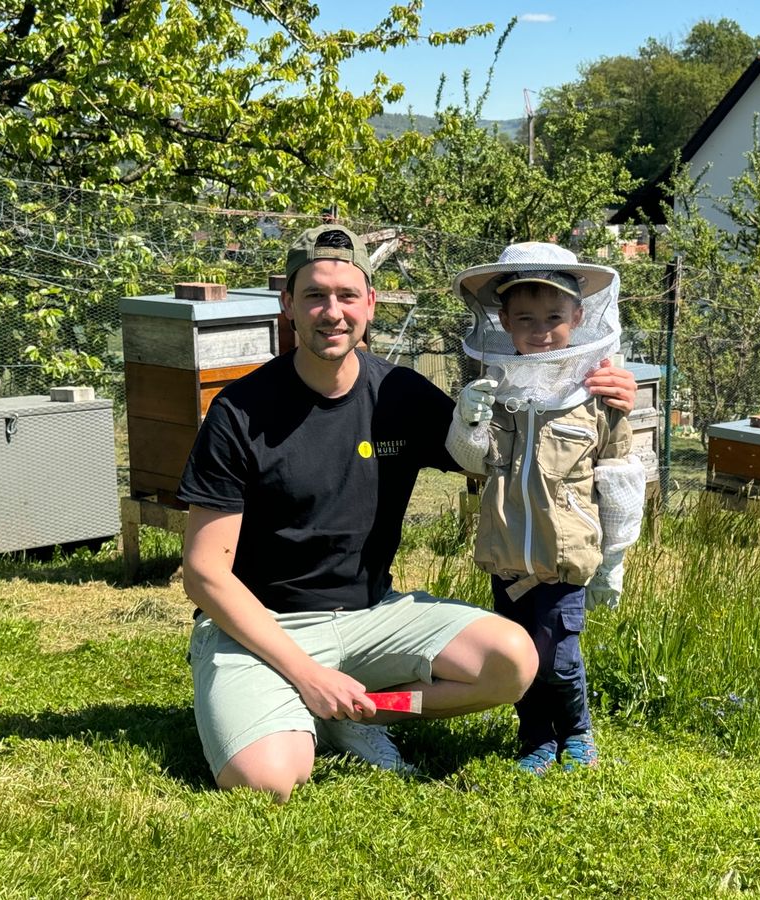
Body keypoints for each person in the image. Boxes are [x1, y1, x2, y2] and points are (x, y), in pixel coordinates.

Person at [177, 224, 638, 800]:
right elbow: (204, 572)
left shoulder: (399, 392)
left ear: (370, 303)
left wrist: (606, 395)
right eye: (315, 296)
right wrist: (308, 674)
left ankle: (364, 713)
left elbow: (493, 453)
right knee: (267, 779)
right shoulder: (240, 410)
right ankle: (293, 698)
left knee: (512, 661)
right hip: (264, 625)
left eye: (347, 296)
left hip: (372, 614)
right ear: (288, 304)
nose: (332, 312)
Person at [445, 242, 647, 775]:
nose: (541, 331)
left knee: (558, 660)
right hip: (507, 557)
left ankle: (577, 731)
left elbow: (620, 477)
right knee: (519, 659)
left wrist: (616, 557)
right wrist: (466, 419)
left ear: (578, 317)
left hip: (566, 561)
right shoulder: (497, 392)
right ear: (503, 321)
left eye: (554, 317)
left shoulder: (600, 395)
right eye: (526, 319)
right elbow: (472, 462)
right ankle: (534, 736)